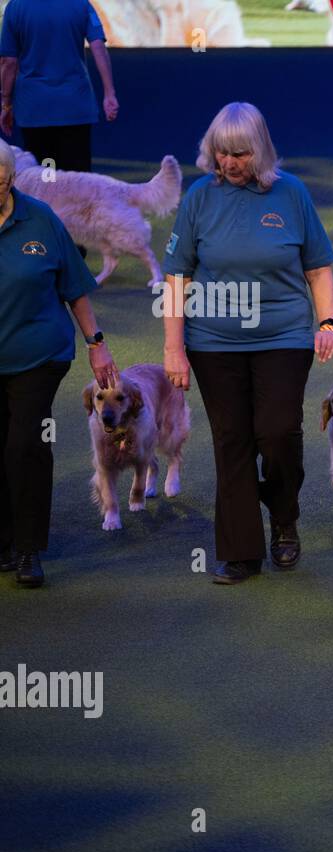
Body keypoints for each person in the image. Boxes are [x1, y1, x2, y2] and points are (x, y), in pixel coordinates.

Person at [161, 102, 333, 585]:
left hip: (283, 335)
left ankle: (284, 517)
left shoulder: (291, 193)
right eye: (222, 153)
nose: (231, 163)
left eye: (240, 152)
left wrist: (328, 321)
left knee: (278, 432)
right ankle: (241, 551)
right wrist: (173, 349)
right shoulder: (199, 198)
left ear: (259, 149)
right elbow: (177, 276)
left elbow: (318, 266)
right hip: (214, 342)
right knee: (233, 440)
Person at [0, 138, 117, 588]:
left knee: (24, 444)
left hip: (38, 355)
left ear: (12, 180)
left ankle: (28, 549)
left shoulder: (41, 219)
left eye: (0, 182)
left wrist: (96, 343)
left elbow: (74, 286)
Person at [0, 0, 120, 174]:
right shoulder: (81, 5)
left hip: (35, 110)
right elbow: (98, 46)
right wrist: (109, 93)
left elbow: (8, 62)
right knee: (78, 178)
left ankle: (49, 199)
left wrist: (6, 104)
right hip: (75, 107)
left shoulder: (16, 7)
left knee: (46, 179)